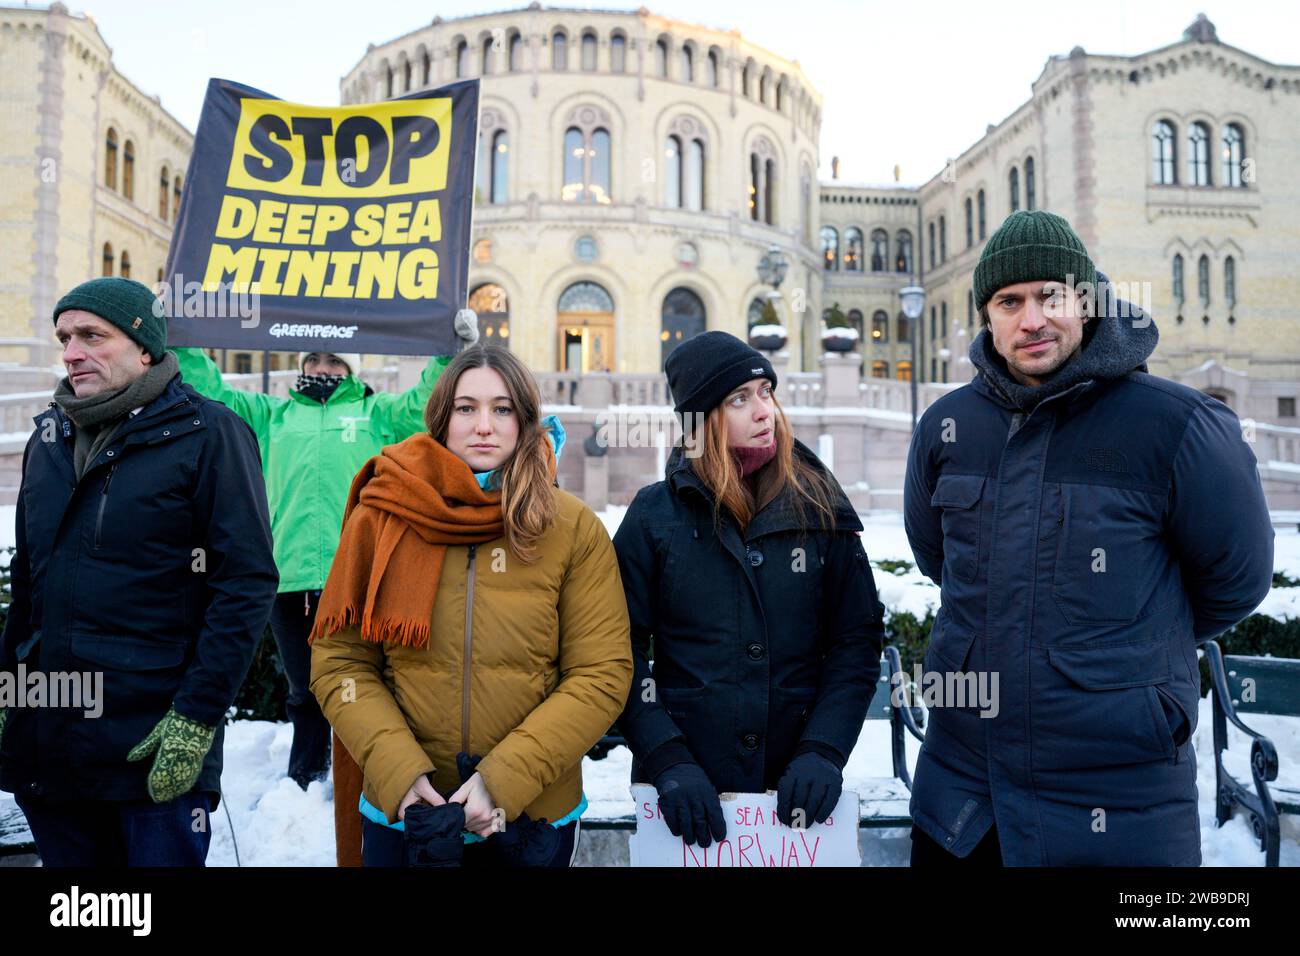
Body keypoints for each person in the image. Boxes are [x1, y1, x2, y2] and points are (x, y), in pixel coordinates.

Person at [904, 210, 1274, 866]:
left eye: (1052, 295)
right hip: (965, 798)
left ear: (1087, 299)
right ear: (986, 316)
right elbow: (941, 559)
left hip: (1121, 798)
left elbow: (1235, 580)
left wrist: (1125, 665)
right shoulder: (945, 427)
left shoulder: (1180, 425)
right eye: (1009, 301)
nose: (1032, 319)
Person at [309, 344, 633, 867]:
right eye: (466, 408)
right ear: (441, 418)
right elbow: (341, 662)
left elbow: (600, 674)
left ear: (525, 420)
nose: (484, 425)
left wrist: (502, 781)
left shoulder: (571, 528)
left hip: (531, 819)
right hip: (407, 814)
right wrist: (402, 775)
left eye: (502, 409)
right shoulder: (382, 514)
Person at [0, 277, 277, 866]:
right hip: (52, 752)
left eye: (92, 336)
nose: (72, 351)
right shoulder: (47, 439)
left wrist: (197, 717)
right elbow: (30, 581)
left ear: (144, 346)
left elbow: (245, 583)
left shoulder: (210, 433)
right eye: (65, 337)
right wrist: (9, 690)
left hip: (152, 748)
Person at [169, 310, 477, 789]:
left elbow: (427, 404)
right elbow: (214, 395)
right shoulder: (271, 416)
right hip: (287, 576)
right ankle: (306, 779)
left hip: (357, 575)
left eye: (334, 361)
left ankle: (365, 778)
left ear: (350, 370)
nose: (322, 368)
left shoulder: (376, 414)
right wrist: (184, 341)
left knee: (365, 686)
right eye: (314, 359)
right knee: (304, 687)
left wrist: (447, 350)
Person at [615, 331, 884, 848]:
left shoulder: (821, 507)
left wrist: (823, 750)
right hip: (687, 807)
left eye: (766, 391)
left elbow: (856, 643)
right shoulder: (654, 516)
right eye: (740, 398)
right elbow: (615, 652)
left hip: (795, 807)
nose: (765, 411)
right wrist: (666, 758)